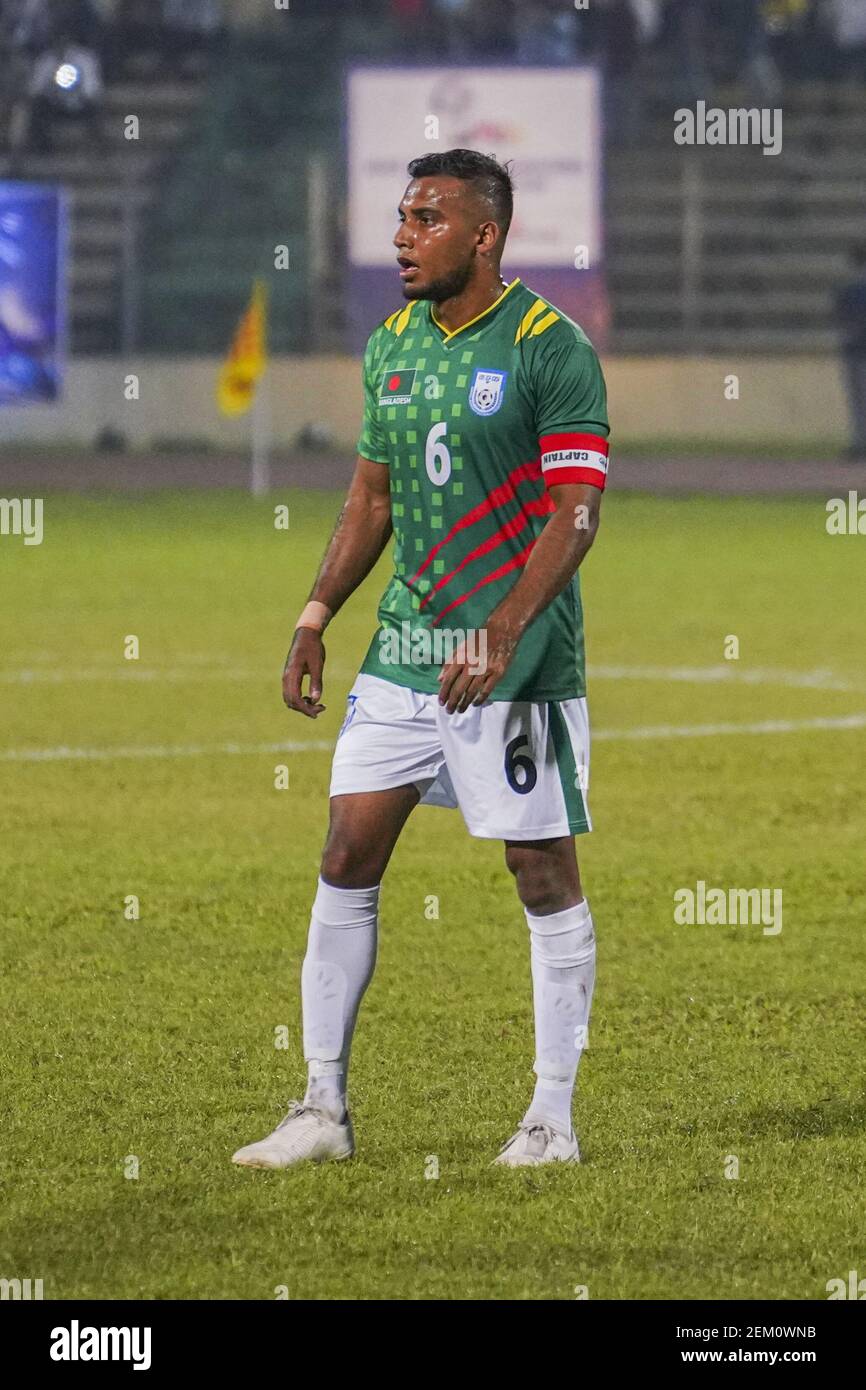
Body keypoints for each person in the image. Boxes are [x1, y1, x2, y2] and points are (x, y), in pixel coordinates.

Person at [232, 148, 610, 1171]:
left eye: (426, 219)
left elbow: (575, 511)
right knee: (345, 855)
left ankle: (550, 1119)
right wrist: (317, 612)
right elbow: (373, 499)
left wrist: (505, 626)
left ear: (483, 235)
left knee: (539, 872)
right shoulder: (392, 342)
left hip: (515, 665)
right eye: (399, 218)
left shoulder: (548, 346)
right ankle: (320, 1107)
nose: (402, 235)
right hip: (404, 651)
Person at [835, 244, 866, 462]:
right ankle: (859, 443)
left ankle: (859, 443)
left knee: (858, 401)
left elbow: (843, 321)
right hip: (855, 351)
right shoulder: (848, 290)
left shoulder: (848, 290)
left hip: (855, 351)